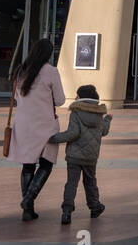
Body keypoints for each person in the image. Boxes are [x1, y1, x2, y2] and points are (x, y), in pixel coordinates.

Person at [7, 38, 65, 220]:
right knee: (46, 163)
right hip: (44, 125)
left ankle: (28, 208)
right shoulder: (51, 72)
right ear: (48, 54)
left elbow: (17, 97)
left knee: (28, 164)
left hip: (23, 124)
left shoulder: (21, 70)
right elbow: (60, 100)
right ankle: (29, 198)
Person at [48, 84, 113, 225]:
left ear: (82, 98)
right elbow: (104, 131)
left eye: (77, 95)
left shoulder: (76, 113)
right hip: (91, 157)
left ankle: (67, 212)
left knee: (71, 183)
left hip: (74, 157)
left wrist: (54, 138)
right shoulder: (99, 114)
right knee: (90, 182)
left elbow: (73, 133)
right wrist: (108, 119)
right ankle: (95, 207)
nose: (76, 97)